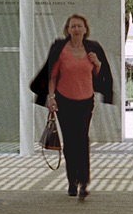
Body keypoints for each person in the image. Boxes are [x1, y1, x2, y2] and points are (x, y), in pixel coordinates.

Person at [28, 12, 115, 201]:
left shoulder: (93, 48)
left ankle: (84, 181)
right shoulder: (60, 49)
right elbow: (52, 75)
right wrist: (51, 98)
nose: (76, 29)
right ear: (68, 29)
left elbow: (100, 75)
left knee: (82, 139)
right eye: (73, 26)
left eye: (79, 26)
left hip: (85, 101)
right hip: (64, 101)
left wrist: (97, 64)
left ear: (85, 29)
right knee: (70, 142)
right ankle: (72, 181)